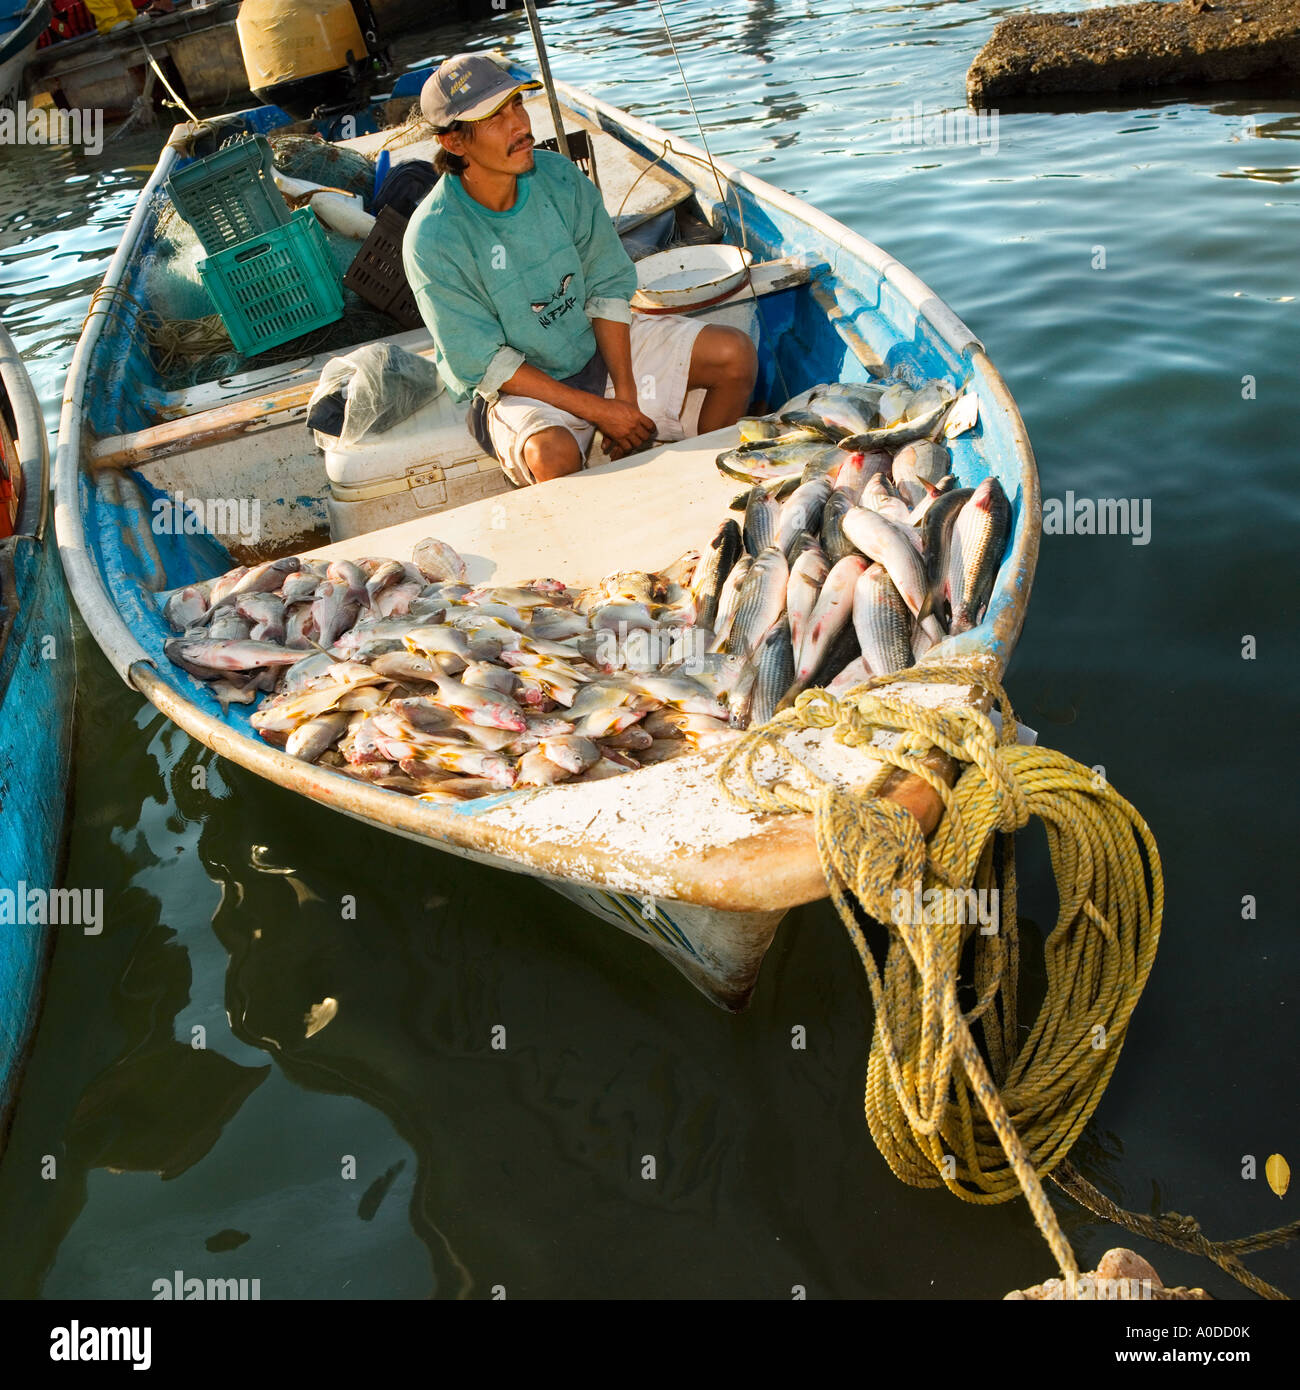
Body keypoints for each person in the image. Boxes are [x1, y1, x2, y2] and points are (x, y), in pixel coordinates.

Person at [402, 53, 757, 487]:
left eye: (517, 104)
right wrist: (603, 412)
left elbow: (606, 283)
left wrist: (625, 396)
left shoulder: (559, 177)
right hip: (525, 385)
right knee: (552, 454)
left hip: (593, 345)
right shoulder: (433, 237)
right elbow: (486, 362)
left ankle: (713, 491)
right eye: (494, 117)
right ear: (455, 143)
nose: (520, 125)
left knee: (734, 355)